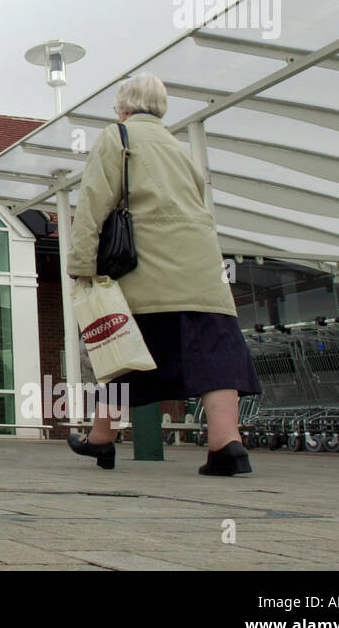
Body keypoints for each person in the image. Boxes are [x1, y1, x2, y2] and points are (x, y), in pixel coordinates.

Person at [66, 73, 261, 476]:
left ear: (123, 106)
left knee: (122, 347)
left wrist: (82, 268)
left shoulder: (117, 137)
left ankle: (103, 439)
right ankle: (227, 444)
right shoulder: (179, 147)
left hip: (149, 267)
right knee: (214, 352)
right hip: (203, 269)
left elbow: (92, 205)